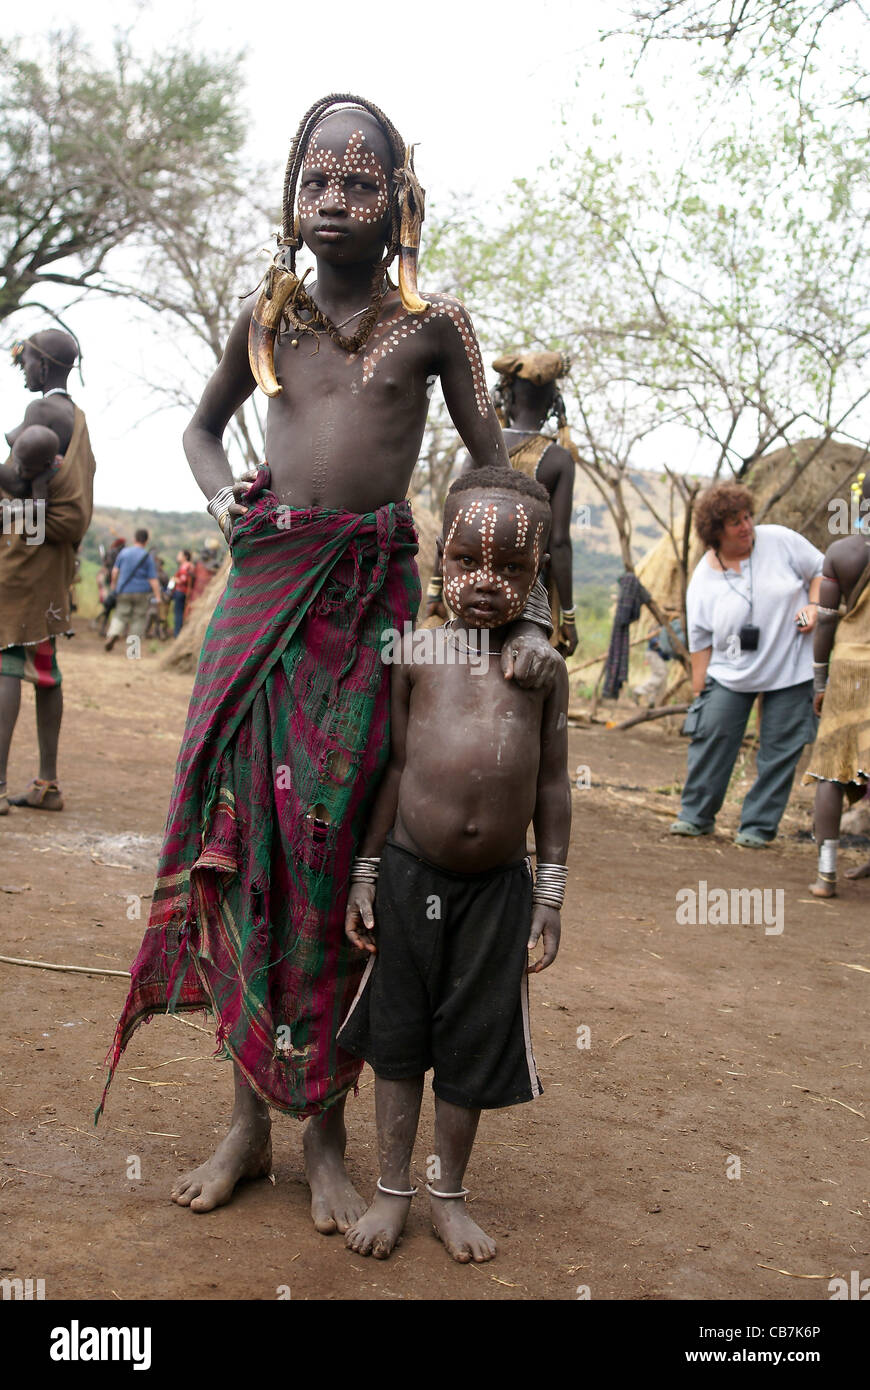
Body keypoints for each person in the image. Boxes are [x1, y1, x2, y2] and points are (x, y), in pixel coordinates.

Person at [99, 95, 560, 1239]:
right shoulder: (270, 316)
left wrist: (521, 625)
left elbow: (497, 484)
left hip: (370, 613)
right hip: (263, 601)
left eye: (363, 183)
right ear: (290, 195)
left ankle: (327, 1136)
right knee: (249, 847)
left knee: (336, 863)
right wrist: (221, 498)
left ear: (401, 200)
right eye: (318, 180)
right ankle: (249, 1123)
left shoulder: (435, 326)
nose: (337, 202)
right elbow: (205, 431)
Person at [338, 470, 570, 1265]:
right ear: (441, 555)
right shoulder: (417, 650)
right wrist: (365, 873)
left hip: (498, 894)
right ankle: (392, 1191)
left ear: (538, 576)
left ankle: (447, 1195)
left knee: (471, 1043)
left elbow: (551, 784)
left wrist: (550, 893)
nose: (484, 580)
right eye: (467, 559)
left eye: (511, 569)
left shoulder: (543, 672)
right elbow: (395, 770)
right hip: (408, 879)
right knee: (399, 1039)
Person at [671, 483, 823, 847]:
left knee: (779, 750)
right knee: (713, 739)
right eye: (734, 523)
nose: (746, 526)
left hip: (790, 667)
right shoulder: (703, 579)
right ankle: (696, 816)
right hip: (729, 672)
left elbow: (821, 570)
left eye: (747, 517)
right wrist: (699, 692)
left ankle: (757, 826)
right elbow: (701, 641)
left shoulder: (781, 541)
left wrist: (815, 605)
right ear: (715, 533)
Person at [426, 349, 578, 656]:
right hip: (528, 590)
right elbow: (559, 543)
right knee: (526, 670)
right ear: (552, 404)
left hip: (472, 583)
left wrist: (435, 589)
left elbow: (452, 526)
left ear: (506, 398)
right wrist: (568, 616)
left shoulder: (481, 448)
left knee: (467, 659)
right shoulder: (559, 459)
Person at [0, 329, 96, 815]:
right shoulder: (76, 415)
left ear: (43, 364)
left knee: (6, 660)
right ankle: (47, 783)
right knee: (43, 666)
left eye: (26, 361)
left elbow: (18, 481)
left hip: (26, 550)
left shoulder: (41, 412)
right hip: (53, 554)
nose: (22, 369)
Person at [804, 472, 870, 895]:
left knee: (832, 770)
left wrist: (819, 681)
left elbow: (824, 626)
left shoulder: (843, 552)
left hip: (848, 669)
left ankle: (826, 874)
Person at [104, 529, 161, 651]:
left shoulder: (124, 553)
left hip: (124, 590)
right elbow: (153, 579)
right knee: (138, 619)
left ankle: (113, 634)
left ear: (134, 539)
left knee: (120, 614)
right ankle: (132, 650)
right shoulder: (147, 557)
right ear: (146, 541)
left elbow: (114, 572)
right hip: (142, 592)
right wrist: (158, 596)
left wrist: (114, 585)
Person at [171, 549, 194, 637]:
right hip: (183, 592)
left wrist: (175, 579)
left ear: (185, 557)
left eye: (180, 554)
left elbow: (183, 580)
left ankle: (177, 633)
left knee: (178, 612)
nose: (178, 556)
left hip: (180, 591)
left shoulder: (185, 566)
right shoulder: (189, 565)